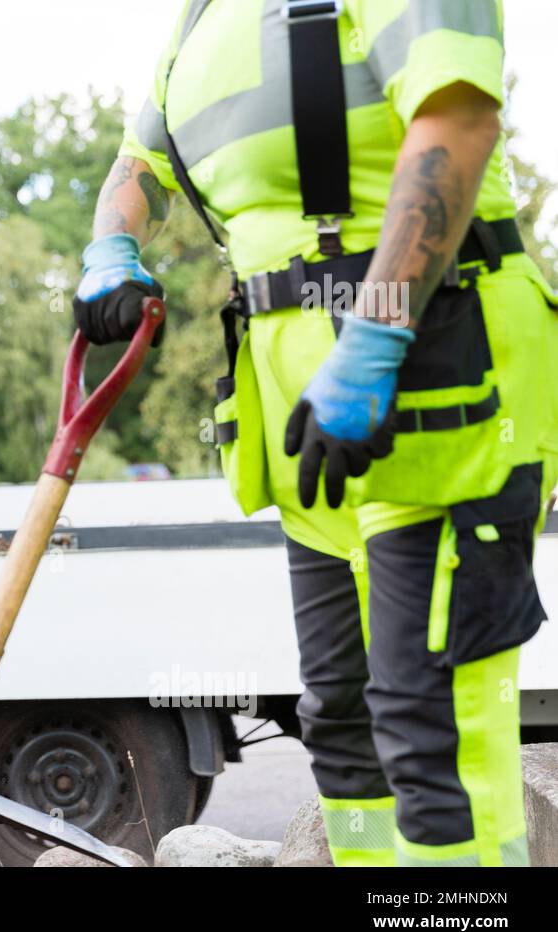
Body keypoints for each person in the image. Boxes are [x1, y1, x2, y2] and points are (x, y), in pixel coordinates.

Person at [78, 0, 557, 865]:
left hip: (438, 370)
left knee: (431, 721)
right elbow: (137, 164)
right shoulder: (200, 22)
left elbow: (458, 117)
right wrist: (110, 247)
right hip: (306, 412)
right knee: (341, 716)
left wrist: (374, 334)